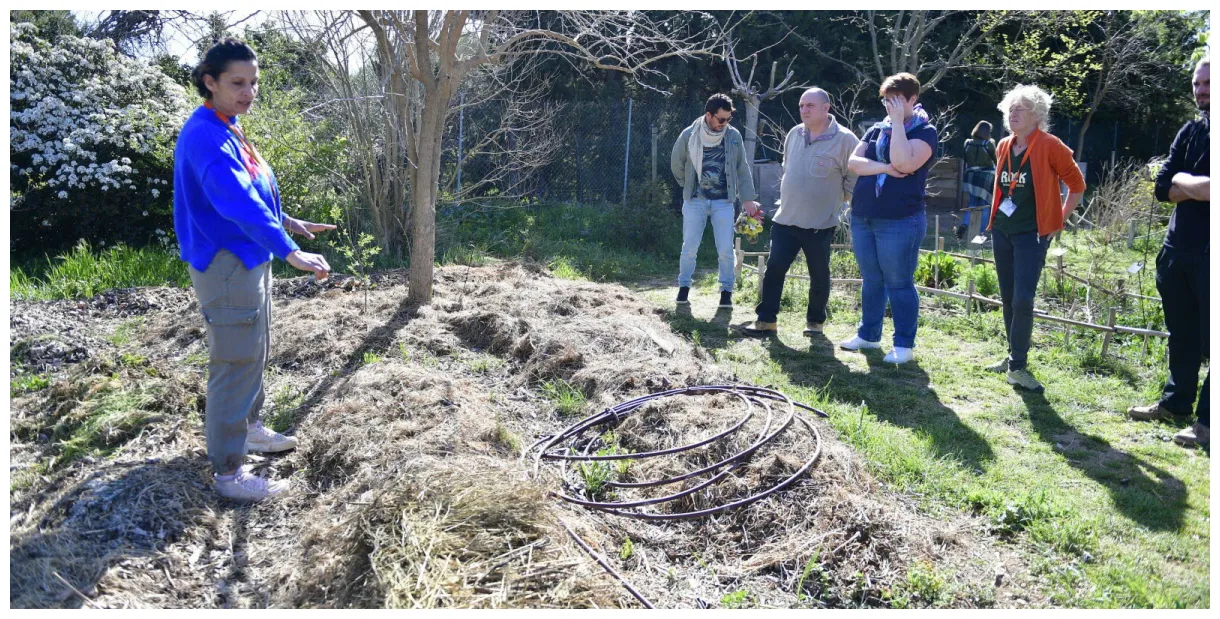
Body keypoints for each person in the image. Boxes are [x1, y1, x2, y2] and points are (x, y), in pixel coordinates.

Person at [174, 39, 336, 501]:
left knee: (254, 351)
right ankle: (229, 473)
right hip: (226, 265)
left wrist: (288, 222)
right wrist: (290, 252)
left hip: (248, 258)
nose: (249, 92)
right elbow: (237, 203)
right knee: (234, 361)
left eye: (254, 83)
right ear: (210, 82)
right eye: (237, 83)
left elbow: (254, 190)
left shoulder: (228, 124)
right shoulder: (206, 134)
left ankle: (249, 428)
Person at [1128, 58, 1210, 447]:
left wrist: (1183, 181)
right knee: (1182, 335)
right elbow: (1163, 187)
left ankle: (1208, 422)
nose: (1201, 90)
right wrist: (1192, 183)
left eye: (1209, 83)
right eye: (1197, 84)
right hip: (1177, 250)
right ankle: (1176, 404)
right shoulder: (1192, 130)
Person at [983, 85, 1085, 393]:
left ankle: (1019, 367)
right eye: (1010, 109)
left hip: (1032, 234)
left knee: (1023, 298)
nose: (1013, 114)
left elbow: (1076, 185)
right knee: (1008, 296)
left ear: (1037, 115)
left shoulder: (1052, 145)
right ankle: (1013, 357)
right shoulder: (1003, 145)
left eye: (1020, 109)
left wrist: (1058, 219)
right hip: (1001, 230)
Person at [743, 88, 859, 336]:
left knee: (819, 275)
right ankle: (766, 321)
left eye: (810, 106)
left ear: (826, 108)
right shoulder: (794, 133)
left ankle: (815, 324)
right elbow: (788, 168)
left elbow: (854, 177)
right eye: (801, 105)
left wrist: (841, 199)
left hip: (820, 223)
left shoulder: (846, 140)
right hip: (786, 218)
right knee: (774, 270)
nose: (804, 110)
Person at [840, 73, 937, 364]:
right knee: (872, 280)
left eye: (895, 100)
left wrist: (897, 124)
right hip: (864, 215)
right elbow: (854, 163)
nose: (888, 105)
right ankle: (868, 335)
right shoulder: (875, 131)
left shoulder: (925, 132)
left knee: (899, 282)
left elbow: (905, 162)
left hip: (900, 219)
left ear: (912, 99)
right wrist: (883, 167)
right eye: (885, 100)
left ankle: (904, 345)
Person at [671, 93, 762, 309]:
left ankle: (726, 292)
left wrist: (748, 199)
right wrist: (688, 185)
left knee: (725, 249)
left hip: (724, 201)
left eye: (729, 119)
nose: (725, 123)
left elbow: (742, 167)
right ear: (709, 115)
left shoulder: (733, 136)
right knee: (689, 247)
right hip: (695, 200)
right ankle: (684, 287)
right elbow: (677, 162)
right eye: (721, 119)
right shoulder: (689, 134)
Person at [957, 121, 998, 239]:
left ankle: (964, 224)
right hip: (986, 177)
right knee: (985, 205)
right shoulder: (989, 143)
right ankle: (981, 234)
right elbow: (996, 160)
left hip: (970, 176)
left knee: (973, 203)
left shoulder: (967, 143)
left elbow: (965, 159)